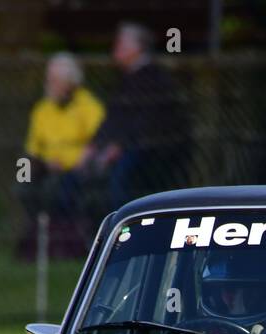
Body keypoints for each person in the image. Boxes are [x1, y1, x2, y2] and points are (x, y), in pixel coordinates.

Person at [83, 23, 190, 210]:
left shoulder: (154, 79)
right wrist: (95, 145)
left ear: (136, 48)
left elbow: (149, 123)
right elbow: (112, 119)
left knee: (120, 178)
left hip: (151, 152)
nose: (115, 50)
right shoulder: (125, 80)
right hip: (127, 148)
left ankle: (124, 222)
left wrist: (119, 146)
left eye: (120, 45)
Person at [17, 53, 104, 257]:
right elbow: (32, 149)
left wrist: (80, 160)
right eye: (49, 80)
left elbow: (98, 141)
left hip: (79, 170)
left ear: (71, 83)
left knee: (61, 190)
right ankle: (40, 239)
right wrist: (38, 164)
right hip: (47, 168)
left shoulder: (89, 106)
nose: (50, 85)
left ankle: (68, 244)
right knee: (24, 186)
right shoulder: (42, 109)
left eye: (55, 80)